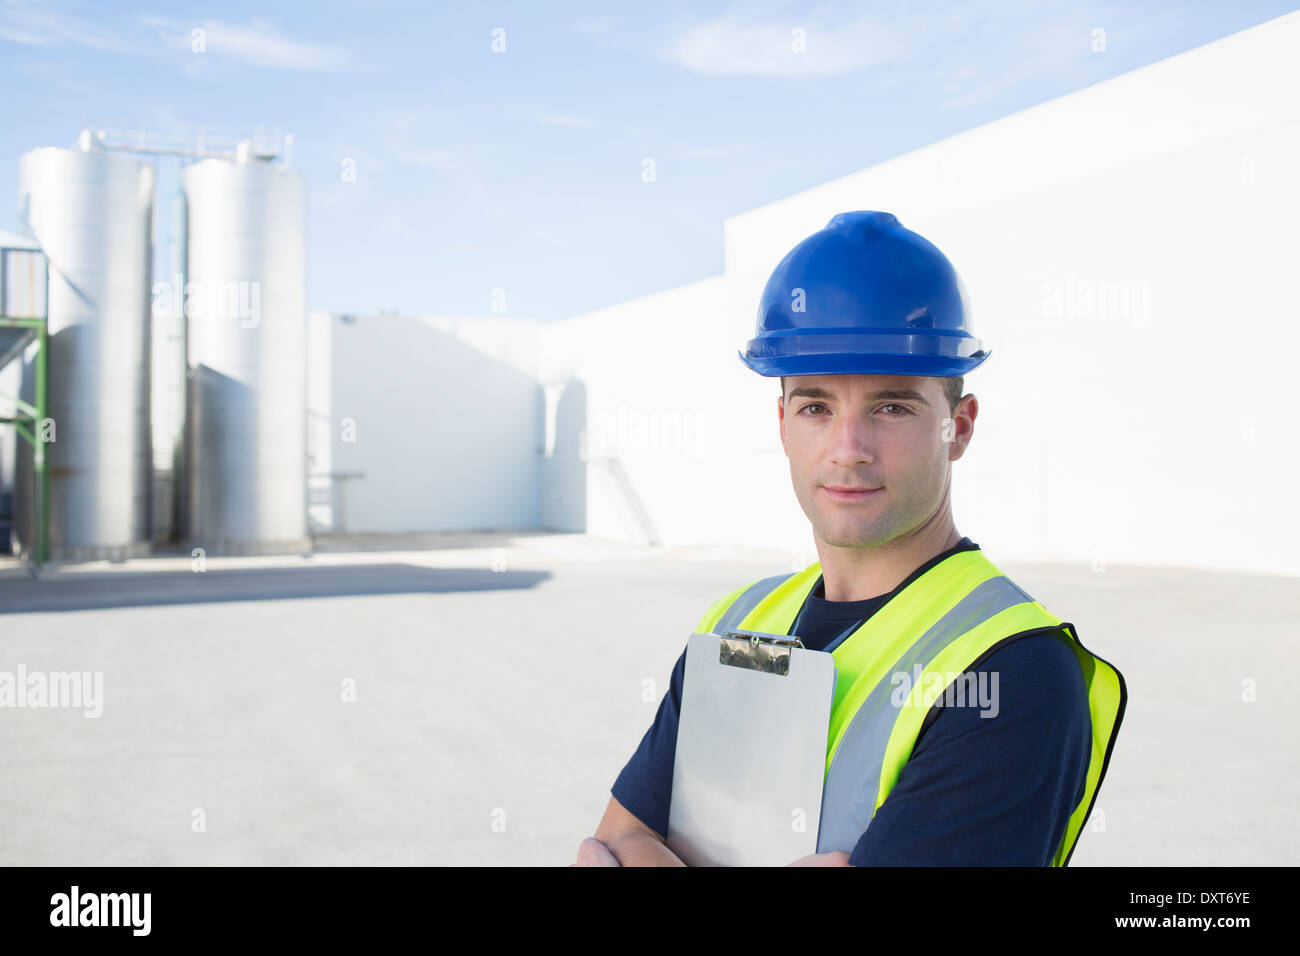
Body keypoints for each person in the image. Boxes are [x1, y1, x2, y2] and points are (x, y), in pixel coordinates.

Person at [573, 211, 1126, 867]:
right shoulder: (738, 624)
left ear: (961, 426)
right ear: (782, 424)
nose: (848, 450)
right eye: (816, 406)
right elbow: (615, 839)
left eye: (891, 407)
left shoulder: (1011, 670)